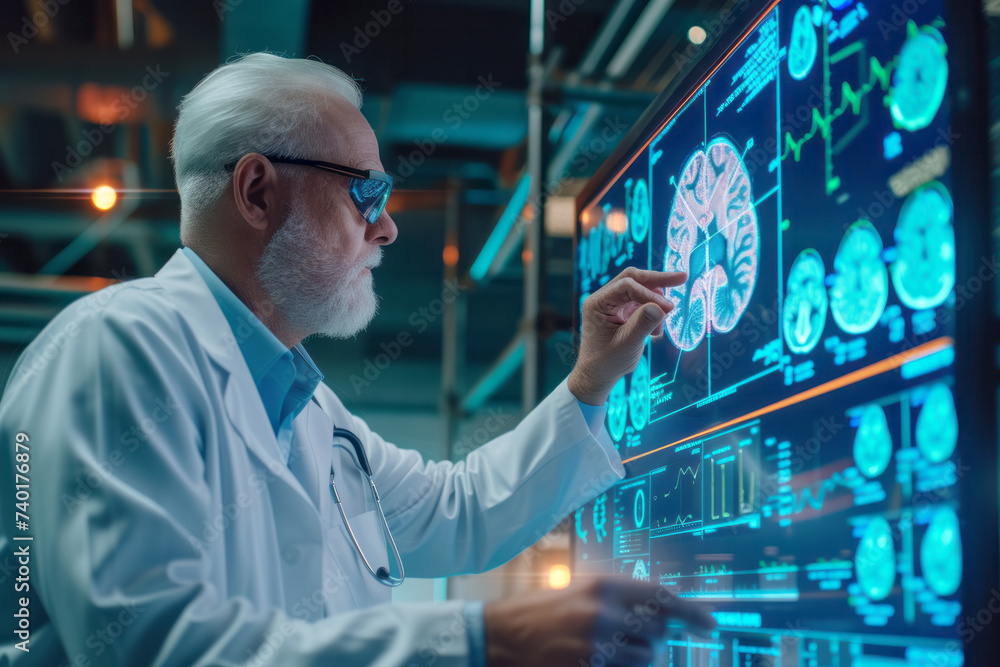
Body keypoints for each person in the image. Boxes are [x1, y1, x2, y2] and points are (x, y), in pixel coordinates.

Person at [0, 53, 712, 666]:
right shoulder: (114, 351)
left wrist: (590, 382)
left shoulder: (307, 409)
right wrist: (472, 640)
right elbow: (151, 648)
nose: (389, 227)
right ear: (257, 192)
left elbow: (455, 509)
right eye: (367, 192)